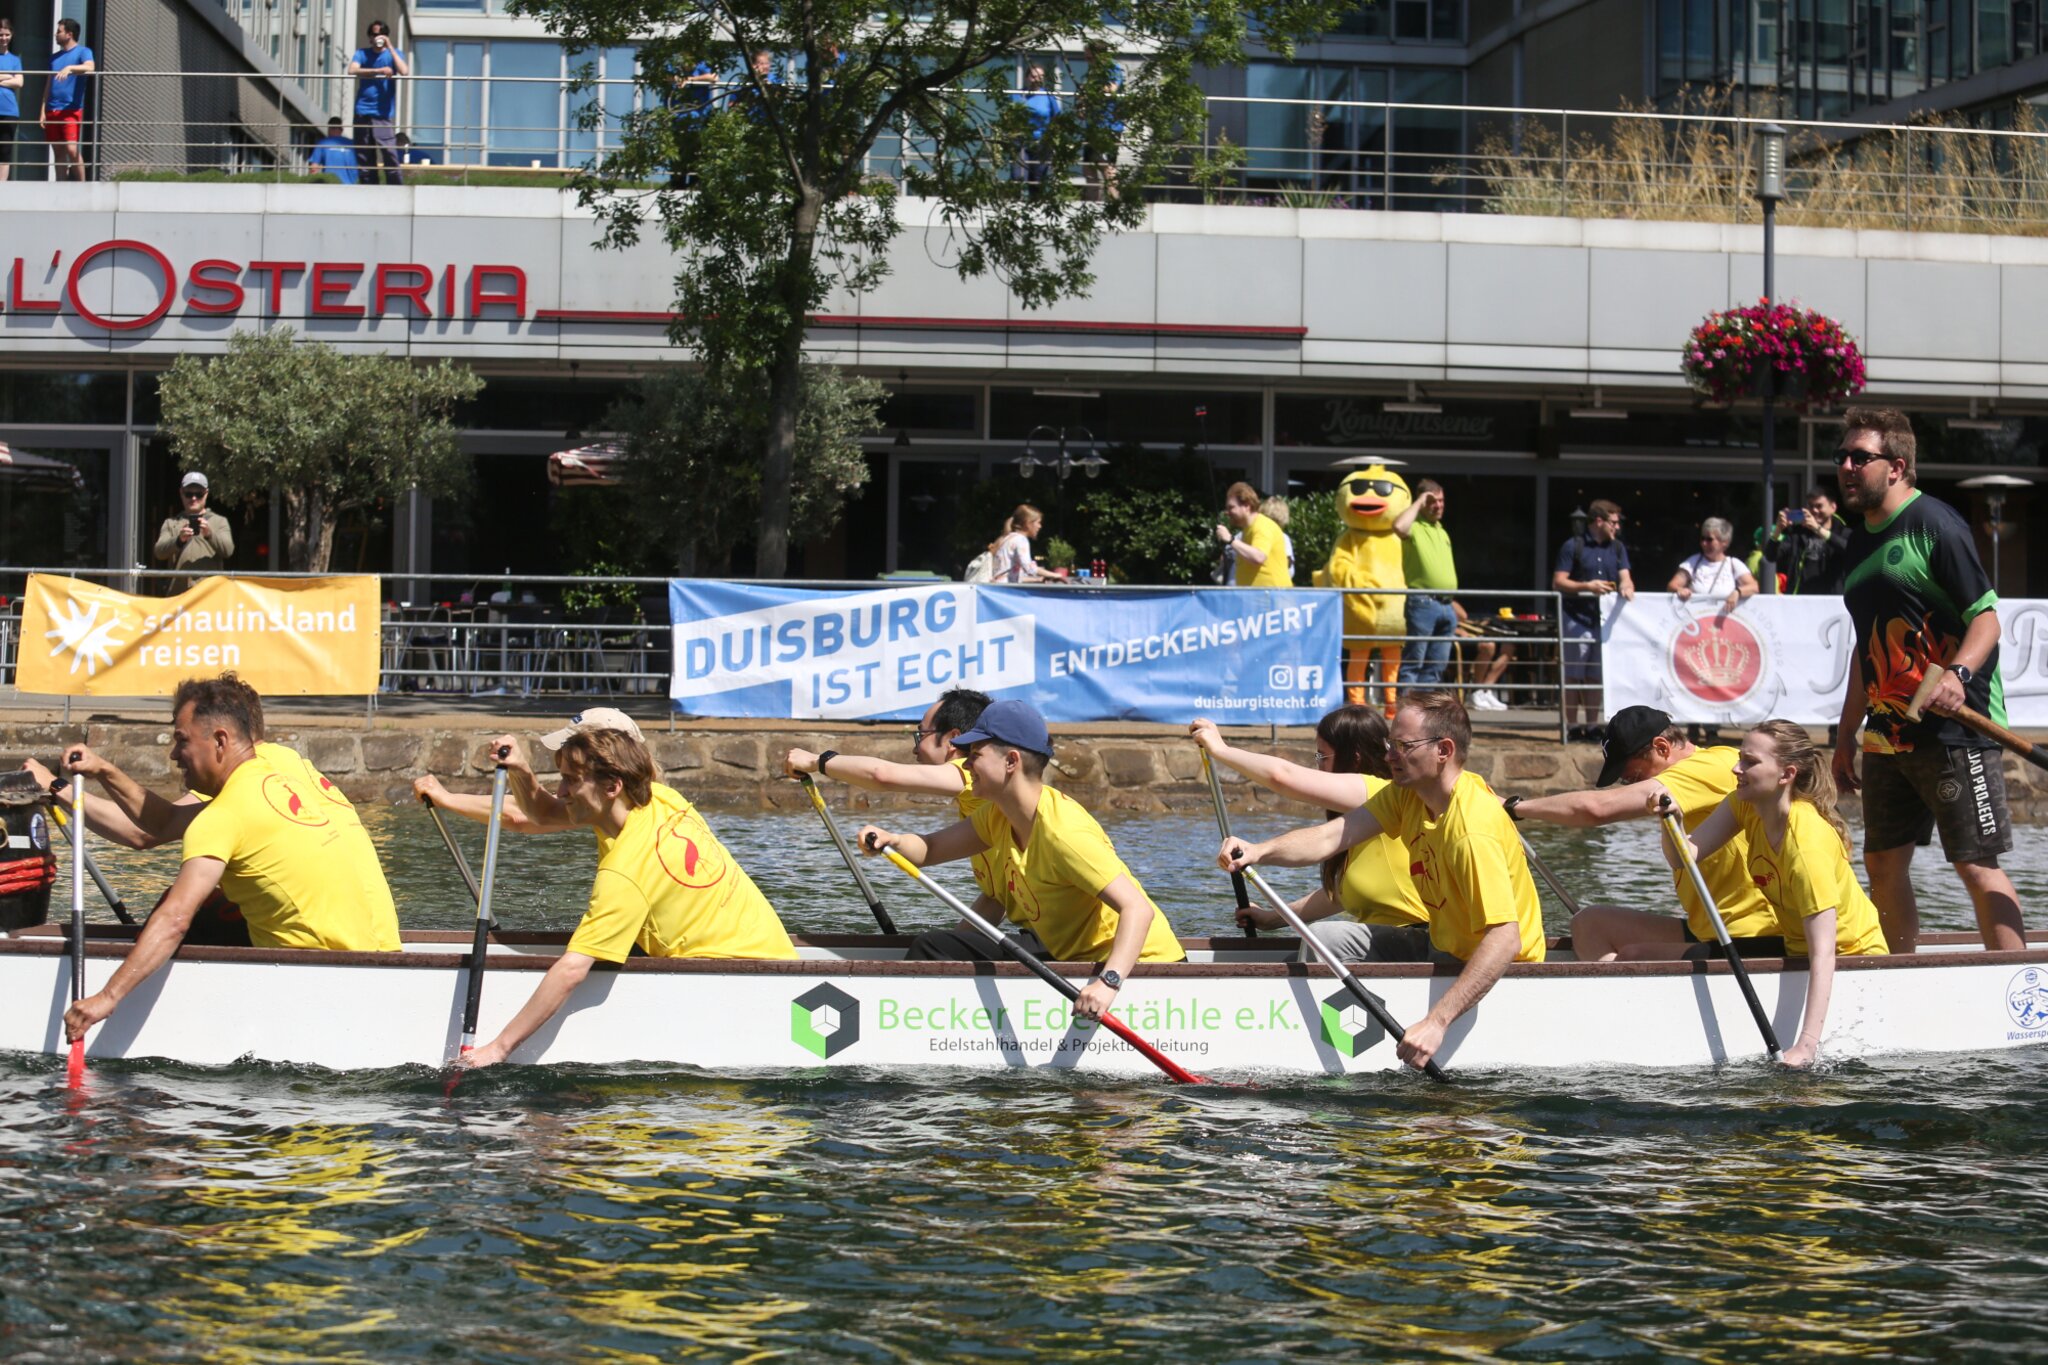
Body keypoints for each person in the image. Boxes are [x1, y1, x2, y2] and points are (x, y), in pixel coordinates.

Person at [60, 675, 402, 1046]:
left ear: (221, 740)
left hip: (319, 983)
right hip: (382, 962)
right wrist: (104, 771)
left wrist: (106, 998)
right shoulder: (283, 764)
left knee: (193, 908)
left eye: (182, 741)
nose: (174, 756)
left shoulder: (222, 815)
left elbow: (175, 918)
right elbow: (162, 824)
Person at [1220, 691, 1545, 1072]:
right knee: (1322, 939)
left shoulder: (1472, 829)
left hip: (1496, 968)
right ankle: (1315, 1041)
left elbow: (1506, 938)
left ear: (1443, 750)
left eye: (1403, 746)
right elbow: (1330, 838)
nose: (1389, 755)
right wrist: (1259, 850)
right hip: (1441, 947)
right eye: (1391, 743)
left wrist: (1437, 1022)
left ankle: (1341, 1046)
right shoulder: (1407, 796)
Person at [458, 728, 797, 1069]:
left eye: (570, 781)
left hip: (736, 986)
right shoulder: (663, 799)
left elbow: (572, 970)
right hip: (777, 957)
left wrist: (498, 1049)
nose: (560, 792)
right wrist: (520, 768)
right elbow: (543, 813)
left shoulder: (624, 873)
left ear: (611, 787)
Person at [1830, 407, 2025, 953]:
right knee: (1882, 861)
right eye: (1842, 456)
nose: (1846, 466)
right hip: (1888, 733)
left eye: (1859, 457)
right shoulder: (1859, 541)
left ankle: (2020, 988)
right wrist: (1846, 734)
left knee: (1973, 863)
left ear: (1896, 466)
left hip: (1955, 729)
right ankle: (1900, 976)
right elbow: (1864, 648)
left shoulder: (1936, 524)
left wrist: (1958, 675)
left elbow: (1985, 619)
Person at [855, 700, 1184, 1022]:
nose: (966, 765)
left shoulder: (1064, 832)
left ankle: (911, 1025)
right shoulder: (998, 816)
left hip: (1139, 965)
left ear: (1011, 761)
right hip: (1071, 956)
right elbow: (929, 848)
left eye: (975, 755)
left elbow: (1138, 909)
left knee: (931, 946)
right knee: (938, 947)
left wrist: (1108, 984)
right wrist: (893, 842)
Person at [1661, 720, 1888, 1067]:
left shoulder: (1806, 845)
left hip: (1852, 958)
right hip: (1795, 950)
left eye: (1750, 762)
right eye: (1739, 758)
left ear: (1786, 774)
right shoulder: (1744, 805)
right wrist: (1673, 820)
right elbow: (1682, 857)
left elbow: (1824, 954)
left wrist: (1806, 1047)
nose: (1737, 768)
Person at [1504, 704, 1782, 960]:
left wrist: (1515, 807)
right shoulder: (1689, 778)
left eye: (1633, 778)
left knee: (1633, 957)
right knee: (1590, 924)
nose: (1628, 785)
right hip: (1710, 928)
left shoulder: (1712, 766)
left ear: (1662, 748)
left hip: (1755, 934)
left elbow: (1598, 809)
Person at [1189, 708, 1431, 962]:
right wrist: (1273, 918)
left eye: (1322, 755)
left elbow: (1283, 777)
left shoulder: (1378, 792)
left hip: (1417, 943)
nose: (1317, 765)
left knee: (1322, 937)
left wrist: (1221, 750)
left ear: (1355, 759)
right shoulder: (1364, 825)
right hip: (1385, 944)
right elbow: (1339, 895)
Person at [783, 688, 1001, 897]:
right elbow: (996, 899)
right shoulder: (977, 804)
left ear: (952, 740)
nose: (915, 748)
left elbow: (882, 775)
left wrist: (816, 761)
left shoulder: (970, 773)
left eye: (921, 735)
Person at [415, 707, 646, 833]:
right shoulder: (615, 803)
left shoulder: (637, 821)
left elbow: (523, 816)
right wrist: (447, 798)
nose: (563, 790)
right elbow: (535, 813)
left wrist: (447, 798)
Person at [1551, 499, 1635, 740]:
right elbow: (1558, 581)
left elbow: (1626, 577)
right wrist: (1587, 586)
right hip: (1576, 617)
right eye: (1613, 522)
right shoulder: (1573, 546)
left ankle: (1591, 725)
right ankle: (1572, 726)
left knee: (1595, 675)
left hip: (1603, 621)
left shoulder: (1617, 548)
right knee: (1573, 674)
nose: (1616, 527)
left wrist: (1626, 586)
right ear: (1599, 521)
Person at [1395, 479, 1458, 686]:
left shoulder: (1441, 530)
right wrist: (1420, 500)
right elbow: (1398, 526)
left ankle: (1423, 715)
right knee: (1414, 662)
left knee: (1436, 666)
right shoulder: (1414, 526)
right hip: (1423, 603)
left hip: (1447, 605)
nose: (1438, 506)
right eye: (1433, 501)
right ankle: (1405, 714)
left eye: (1441, 501)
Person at [348, 20, 408, 185]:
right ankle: (369, 187)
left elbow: (404, 71)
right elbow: (352, 70)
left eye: (381, 34)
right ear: (369, 37)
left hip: (382, 113)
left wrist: (390, 47)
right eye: (374, 34)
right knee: (364, 155)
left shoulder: (393, 53)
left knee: (389, 152)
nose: (377, 37)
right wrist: (378, 71)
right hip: (362, 110)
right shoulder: (362, 53)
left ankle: (395, 187)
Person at [152, 472, 235, 587]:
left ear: (206, 494)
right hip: (179, 593)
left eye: (199, 494)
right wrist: (178, 540)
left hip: (208, 593)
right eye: (189, 494)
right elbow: (159, 552)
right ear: (181, 493)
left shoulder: (219, 521)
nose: (194, 498)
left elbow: (228, 551)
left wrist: (210, 534)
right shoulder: (170, 523)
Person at [1767, 486, 1851, 595]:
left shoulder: (1843, 532)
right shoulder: (1797, 533)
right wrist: (1778, 530)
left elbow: (1849, 550)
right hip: (1801, 599)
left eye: (1819, 506)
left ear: (1833, 507)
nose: (1815, 510)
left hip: (1832, 599)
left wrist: (1818, 529)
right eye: (1811, 506)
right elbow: (1770, 556)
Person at [42, 17, 93, 182]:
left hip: (71, 109)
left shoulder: (83, 52)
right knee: (58, 151)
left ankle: (83, 186)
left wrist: (70, 67)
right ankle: (61, 186)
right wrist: (42, 109)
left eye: (59, 31)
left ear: (69, 34)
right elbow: (48, 84)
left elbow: (90, 67)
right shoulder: (54, 57)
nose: (56, 35)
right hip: (52, 109)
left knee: (72, 149)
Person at [1668, 517, 1756, 609]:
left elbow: (1754, 587)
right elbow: (1672, 585)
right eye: (1702, 539)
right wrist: (1680, 589)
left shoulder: (1733, 564)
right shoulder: (1692, 562)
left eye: (1709, 540)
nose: (1704, 543)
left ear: (1724, 542)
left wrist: (1737, 592)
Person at [1077, 41, 1125, 202]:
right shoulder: (1092, 71)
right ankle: (1091, 206)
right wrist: (1082, 104)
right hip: (1092, 126)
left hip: (1109, 126)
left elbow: (1112, 89)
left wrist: (1089, 92)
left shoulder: (1113, 68)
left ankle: (1116, 203)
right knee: (1088, 168)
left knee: (1107, 167)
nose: (1086, 59)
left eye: (1089, 56)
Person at [1218, 482, 1289, 589]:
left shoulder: (1262, 526)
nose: (1227, 512)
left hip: (1272, 600)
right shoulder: (1248, 529)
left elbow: (1259, 557)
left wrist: (1230, 540)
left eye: (1231, 507)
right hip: (1257, 599)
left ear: (1247, 506)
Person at [1458, 601, 1515, 712]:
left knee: (1509, 647)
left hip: (1475, 631)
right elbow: (1461, 617)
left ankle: (1485, 691)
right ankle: (1476, 691)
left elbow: (1463, 616)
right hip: (1459, 639)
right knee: (1488, 646)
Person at [1012, 62, 1060, 186]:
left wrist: (1052, 138)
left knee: (1037, 180)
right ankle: (1016, 203)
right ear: (1027, 77)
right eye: (1034, 76)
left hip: (1042, 143)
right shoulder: (1017, 96)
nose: (1037, 80)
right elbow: (1010, 118)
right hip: (1021, 142)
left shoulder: (1048, 96)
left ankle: (1036, 203)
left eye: (1040, 77)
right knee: (1018, 177)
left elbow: (1057, 117)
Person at [988, 503, 1058, 584]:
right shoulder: (1021, 540)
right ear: (1027, 523)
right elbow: (1030, 568)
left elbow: (1009, 575)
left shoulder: (1007, 538)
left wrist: (1037, 580)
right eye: (1038, 522)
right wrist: (1055, 575)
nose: (1040, 526)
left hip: (997, 588)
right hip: (1006, 591)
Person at [0, 17, 23, 184]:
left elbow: (19, 82)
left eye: (6, 34)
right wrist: (9, 76)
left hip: (9, 110)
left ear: (11, 35)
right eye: (1, 34)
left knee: (5, 151)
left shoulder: (15, 60)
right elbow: (14, 80)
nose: (3, 38)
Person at [307, 117, 360, 184]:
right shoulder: (353, 144)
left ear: (329, 128)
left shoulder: (323, 143)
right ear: (341, 130)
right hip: (351, 188)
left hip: (330, 185)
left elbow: (313, 168)